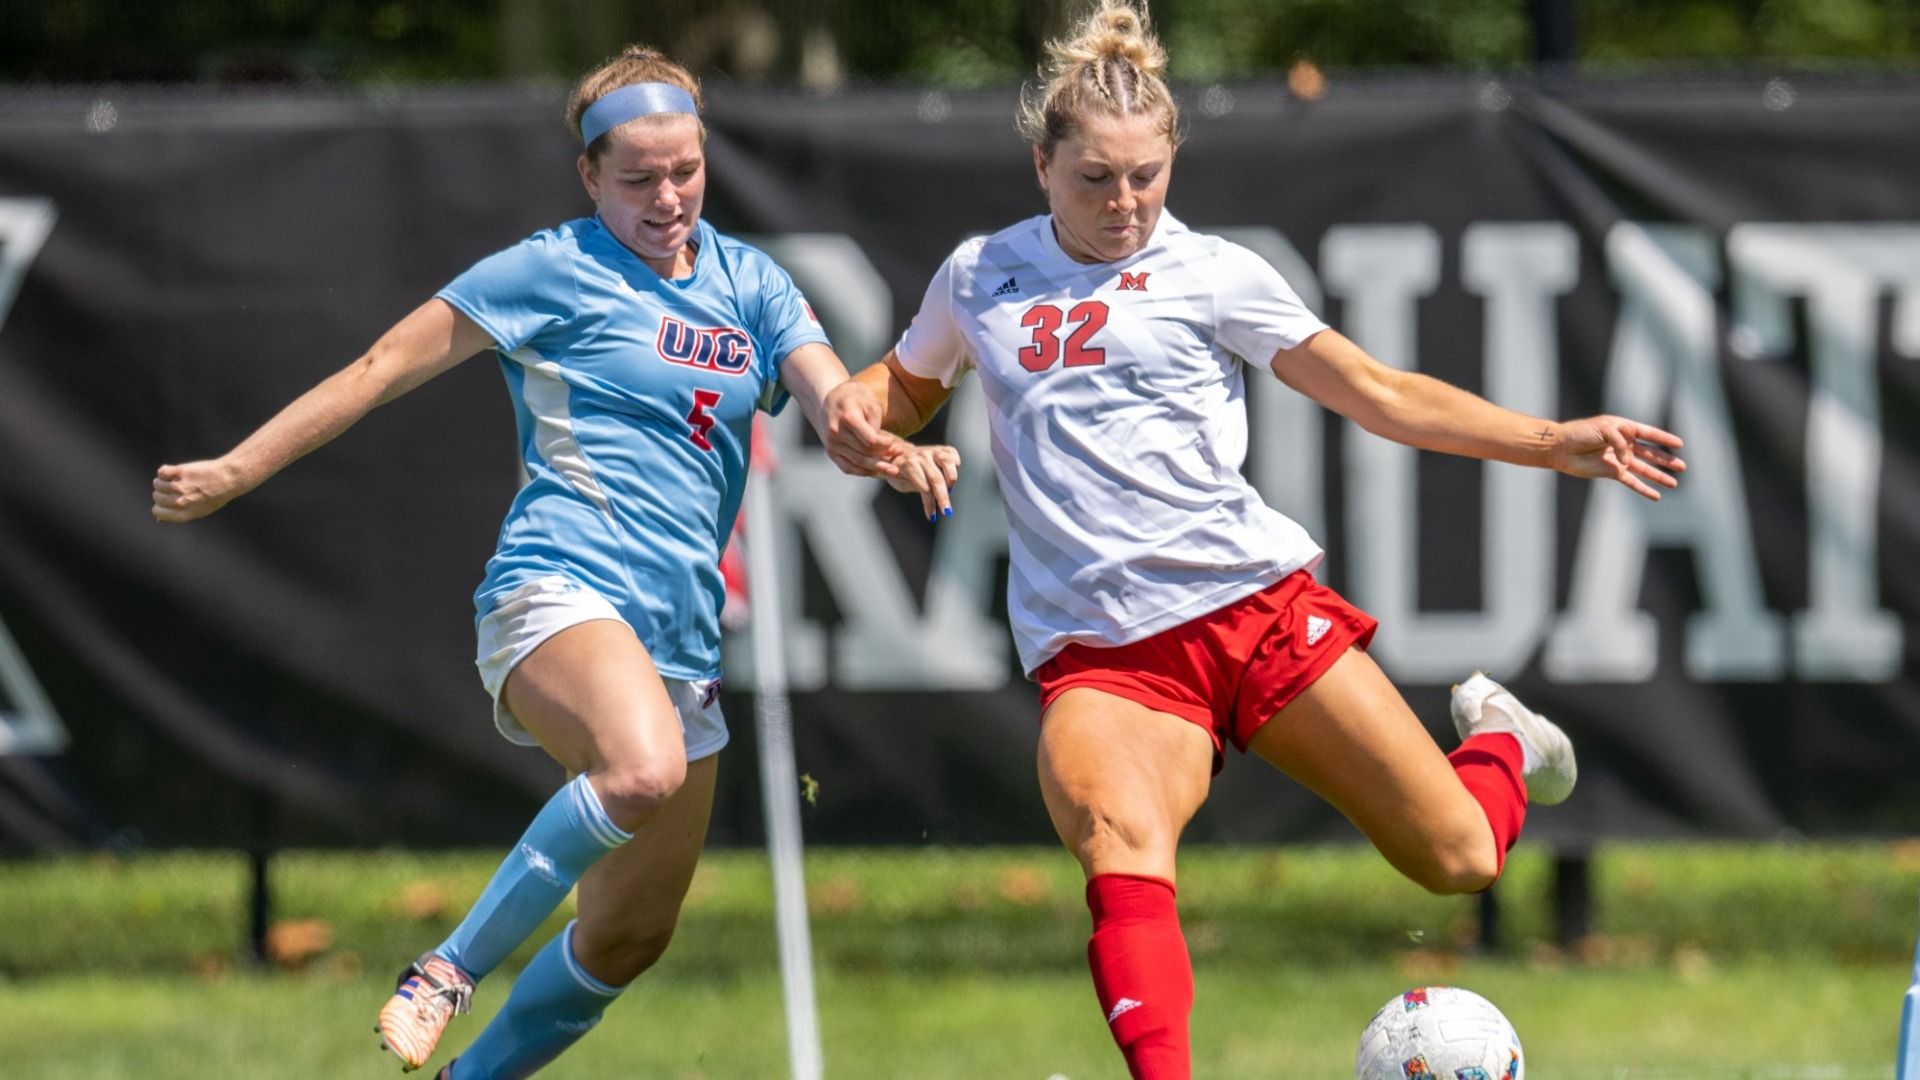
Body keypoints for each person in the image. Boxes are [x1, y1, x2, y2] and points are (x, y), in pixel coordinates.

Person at [838, 3, 1686, 1078]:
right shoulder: (978, 276)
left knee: (1460, 857)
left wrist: (1549, 440)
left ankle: (1506, 740)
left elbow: (1376, 392)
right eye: (1096, 177)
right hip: (1103, 654)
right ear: (1042, 163)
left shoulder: (1215, 271)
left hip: (1257, 613)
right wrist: (855, 414)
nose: (1125, 201)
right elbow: (902, 389)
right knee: (1120, 844)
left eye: (1147, 175)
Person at [150, 47, 957, 1080]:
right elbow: (379, 369)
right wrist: (235, 470)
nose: (668, 198)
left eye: (686, 172)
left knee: (627, 939)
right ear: (588, 175)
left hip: (681, 635)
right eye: (638, 178)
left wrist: (881, 439)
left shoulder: (752, 282)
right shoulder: (550, 269)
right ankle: (446, 968)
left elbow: (833, 399)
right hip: (557, 589)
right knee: (642, 766)